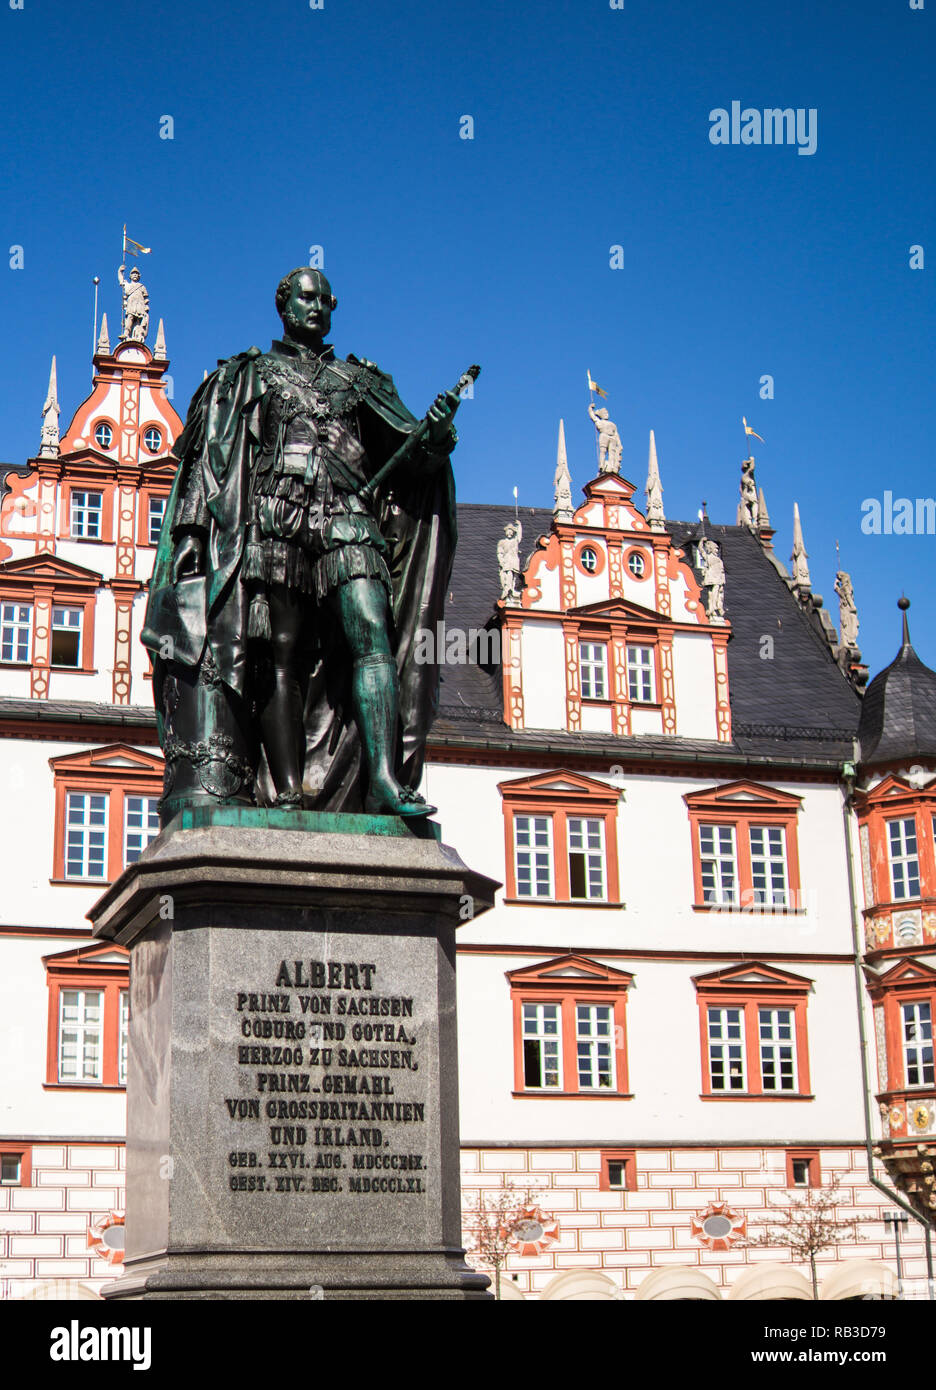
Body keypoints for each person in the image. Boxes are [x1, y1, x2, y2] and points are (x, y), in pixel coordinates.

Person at [143, 267, 462, 819]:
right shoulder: (252, 373)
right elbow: (210, 459)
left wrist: (433, 435)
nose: (315, 308)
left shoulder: (359, 381)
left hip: (346, 514)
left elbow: (416, 461)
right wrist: (193, 533)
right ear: (283, 306)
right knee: (281, 654)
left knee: (372, 633)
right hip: (278, 516)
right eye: (304, 298)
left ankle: (383, 780)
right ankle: (287, 786)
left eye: (324, 300)